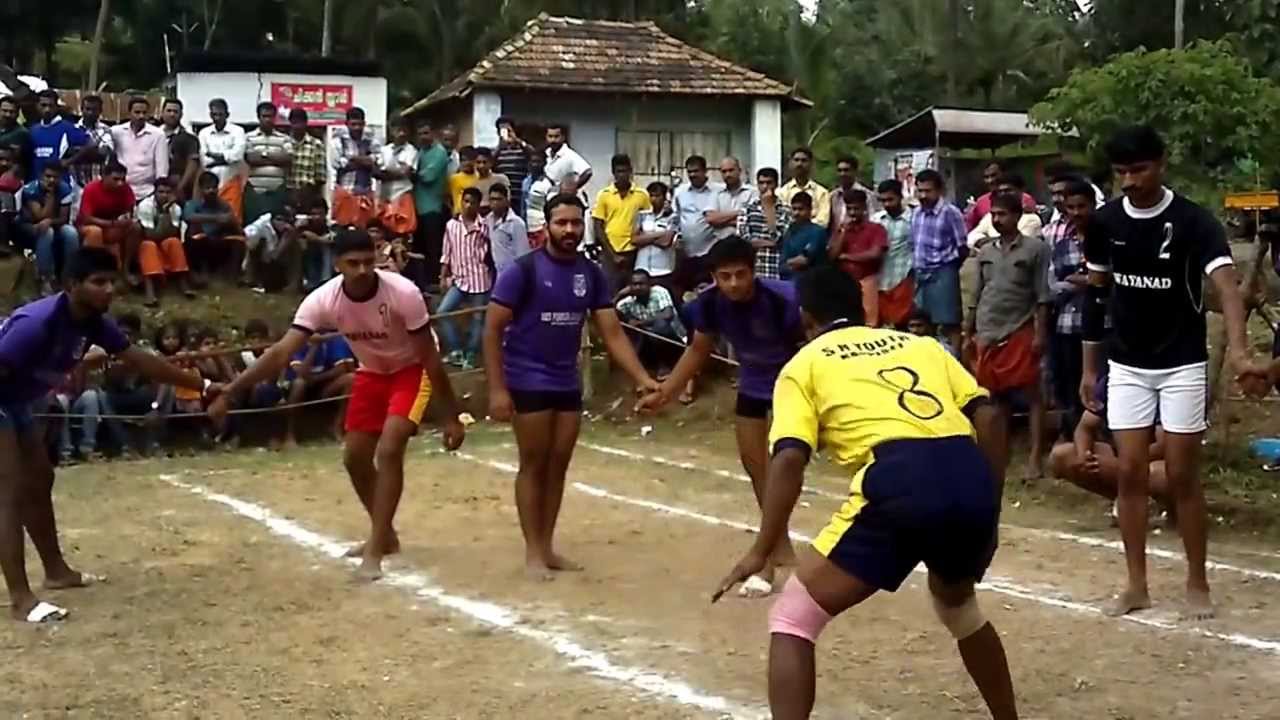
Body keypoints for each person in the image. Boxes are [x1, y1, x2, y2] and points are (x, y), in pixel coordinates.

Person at [713, 264, 1018, 720]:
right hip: (967, 473)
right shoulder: (922, 345)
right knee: (959, 608)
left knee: (794, 617)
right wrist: (987, 514)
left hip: (898, 478)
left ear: (805, 316)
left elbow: (789, 458)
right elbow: (990, 418)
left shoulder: (803, 365)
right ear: (860, 308)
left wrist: (762, 549)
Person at [1080, 124, 1269, 620]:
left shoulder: (1193, 222)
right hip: (1126, 363)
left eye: (1138, 169)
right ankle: (1136, 584)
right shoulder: (1103, 223)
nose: (1129, 181)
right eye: (1121, 172)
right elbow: (1097, 291)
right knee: (1131, 472)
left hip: (1182, 360)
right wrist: (1089, 363)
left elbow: (1228, 288)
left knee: (1183, 475)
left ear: (1161, 164)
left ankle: (1197, 581)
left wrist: (1242, 352)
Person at [210, 229, 465, 580]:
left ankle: (375, 549)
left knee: (390, 448)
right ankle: (385, 535)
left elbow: (431, 359)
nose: (362, 270)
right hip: (372, 372)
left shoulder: (404, 293)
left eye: (367, 261)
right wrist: (231, 391)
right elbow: (281, 352)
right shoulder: (322, 300)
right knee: (354, 458)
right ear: (337, 264)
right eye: (352, 263)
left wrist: (451, 417)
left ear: (376, 258)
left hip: (411, 370)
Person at [0, 247, 220, 622]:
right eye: (98, 282)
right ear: (72, 285)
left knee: (40, 478)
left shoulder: (93, 322)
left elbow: (140, 359)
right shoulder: (36, 324)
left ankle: (56, 573)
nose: (109, 290)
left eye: (112, 281)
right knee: (8, 492)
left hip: (16, 400)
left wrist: (203, 384)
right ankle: (21, 598)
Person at [484, 193, 658, 577]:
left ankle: (547, 547)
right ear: (546, 225)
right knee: (533, 463)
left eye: (576, 223)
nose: (569, 230)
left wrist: (644, 380)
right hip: (527, 377)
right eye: (561, 223)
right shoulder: (522, 271)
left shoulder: (591, 273)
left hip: (566, 379)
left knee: (558, 464)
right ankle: (532, 552)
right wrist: (497, 389)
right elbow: (492, 330)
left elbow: (612, 333)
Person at [639, 237, 806, 597]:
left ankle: (774, 557)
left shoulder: (784, 299)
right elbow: (699, 349)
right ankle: (780, 552)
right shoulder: (709, 304)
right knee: (756, 469)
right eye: (725, 277)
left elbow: (812, 347)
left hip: (793, 385)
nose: (733, 284)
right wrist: (666, 392)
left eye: (740, 275)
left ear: (753, 271)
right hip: (752, 385)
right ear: (714, 277)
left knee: (782, 468)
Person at [965, 192, 1052, 479]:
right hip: (988, 330)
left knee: (1031, 394)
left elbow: (1042, 296)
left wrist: (1040, 334)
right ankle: (996, 455)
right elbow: (977, 294)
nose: (998, 220)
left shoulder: (1035, 249)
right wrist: (969, 331)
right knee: (994, 397)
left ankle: (1035, 457)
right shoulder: (986, 251)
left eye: (1003, 214)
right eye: (994, 215)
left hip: (1020, 327)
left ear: (1017, 216)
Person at [1049, 369, 1173, 523]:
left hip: (1154, 460)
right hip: (1121, 453)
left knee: (1160, 475)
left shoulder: (1164, 382)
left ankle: (1164, 506)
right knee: (1061, 456)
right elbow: (1085, 428)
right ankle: (1125, 497)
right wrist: (1084, 455)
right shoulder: (1113, 379)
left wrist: (1126, 462)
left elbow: (1164, 445)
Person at [1045, 177, 1094, 439]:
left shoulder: (1108, 241)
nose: (1076, 213)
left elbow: (1114, 281)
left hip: (1102, 325)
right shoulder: (1063, 246)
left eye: (1081, 206)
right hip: (1066, 325)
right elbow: (1052, 284)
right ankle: (1075, 437)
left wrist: (1084, 280)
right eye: (1071, 207)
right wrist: (1085, 282)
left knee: (1102, 384)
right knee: (1070, 382)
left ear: (1093, 206)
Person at [911, 169, 968, 354]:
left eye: (928, 191)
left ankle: (955, 362)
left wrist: (948, 270)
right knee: (923, 322)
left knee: (949, 321)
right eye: (920, 191)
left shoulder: (950, 213)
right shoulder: (917, 213)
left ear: (939, 190)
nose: (923, 195)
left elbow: (962, 247)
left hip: (943, 271)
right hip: (921, 273)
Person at [438, 187, 492, 368]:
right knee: (443, 313)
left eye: (472, 202)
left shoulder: (484, 227)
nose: (468, 205)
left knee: (478, 319)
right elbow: (447, 252)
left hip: (480, 279)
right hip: (459, 280)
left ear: (478, 205)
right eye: (465, 201)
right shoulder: (451, 226)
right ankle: (456, 351)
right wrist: (443, 275)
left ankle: (471, 353)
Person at [283, 334, 357, 449]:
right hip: (299, 387)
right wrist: (314, 347)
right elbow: (301, 373)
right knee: (299, 384)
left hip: (322, 386)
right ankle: (290, 435)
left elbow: (340, 369)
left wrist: (316, 379)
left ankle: (336, 427)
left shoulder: (331, 340)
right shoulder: (296, 342)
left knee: (350, 379)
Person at [592, 154, 652, 290]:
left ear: (630, 171)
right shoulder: (604, 195)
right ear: (613, 173)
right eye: (619, 171)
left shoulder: (642, 195)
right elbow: (598, 227)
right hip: (610, 253)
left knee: (634, 291)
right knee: (609, 292)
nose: (622, 175)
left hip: (635, 253)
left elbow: (648, 223)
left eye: (625, 171)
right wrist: (612, 255)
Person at [828, 189, 887, 327]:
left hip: (867, 279)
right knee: (845, 320)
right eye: (850, 209)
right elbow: (832, 256)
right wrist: (843, 233)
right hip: (845, 281)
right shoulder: (842, 230)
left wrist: (847, 256)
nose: (853, 213)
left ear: (865, 208)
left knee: (869, 322)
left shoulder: (876, 229)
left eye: (856, 208)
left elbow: (874, 254)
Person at [614, 268, 687, 377]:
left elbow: (667, 315)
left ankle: (665, 365)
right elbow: (608, 310)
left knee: (659, 326)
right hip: (650, 341)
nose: (638, 287)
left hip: (673, 337)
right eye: (634, 284)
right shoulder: (627, 302)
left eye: (641, 284)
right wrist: (619, 295)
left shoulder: (659, 292)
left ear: (650, 284)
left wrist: (640, 323)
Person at [672, 155, 729, 292]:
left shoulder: (719, 191)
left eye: (696, 171)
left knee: (710, 291)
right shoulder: (680, 192)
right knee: (686, 293)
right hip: (687, 254)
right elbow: (675, 218)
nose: (692, 175)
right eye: (689, 172)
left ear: (705, 171)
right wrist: (676, 237)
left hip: (710, 251)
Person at [134, 176, 194, 305]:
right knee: (148, 245)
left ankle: (184, 285)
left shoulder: (175, 208)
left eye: (168, 192)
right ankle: (149, 292)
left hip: (164, 242)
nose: (164, 195)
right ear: (154, 193)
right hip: (143, 245)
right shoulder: (145, 206)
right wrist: (164, 220)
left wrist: (166, 212)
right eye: (161, 192)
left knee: (174, 242)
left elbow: (174, 233)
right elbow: (150, 235)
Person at [19, 163, 78, 295]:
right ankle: (45, 278)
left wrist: (50, 221)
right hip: (29, 226)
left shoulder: (64, 189)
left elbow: (64, 218)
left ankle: (70, 274)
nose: (51, 180)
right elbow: (39, 216)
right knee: (46, 232)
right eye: (48, 176)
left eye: (55, 177)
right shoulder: (30, 189)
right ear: (41, 176)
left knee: (71, 232)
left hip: (53, 223)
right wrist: (50, 197)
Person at [77, 161, 141, 278]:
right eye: (115, 179)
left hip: (112, 227)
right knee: (95, 232)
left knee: (135, 228)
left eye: (123, 179)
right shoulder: (91, 188)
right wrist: (111, 223)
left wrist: (127, 218)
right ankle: (92, 271)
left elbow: (130, 209)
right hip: (90, 226)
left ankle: (126, 269)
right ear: (104, 176)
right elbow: (86, 219)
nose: (120, 183)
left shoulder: (126, 188)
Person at [183, 171, 246, 283]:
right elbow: (189, 217)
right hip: (199, 243)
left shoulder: (223, 204)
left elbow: (233, 221)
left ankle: (233, 275)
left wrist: (232, 222)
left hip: (217, 240)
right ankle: (200, 273)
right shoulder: (192, 204)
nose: (211, 191)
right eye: (207, 188)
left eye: (214, 187)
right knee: (195, 231)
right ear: (201, 189)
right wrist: (215, 218)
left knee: (238, 239)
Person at [412, 120, 451, 290]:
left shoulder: (439, 152)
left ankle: (435, 282)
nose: (423, 137)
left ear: (433, 133)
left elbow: (428, 176)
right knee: (419, 247)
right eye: (420, 134)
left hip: (433, 207)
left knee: (433, 247)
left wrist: (410, 173)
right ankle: (423, 283)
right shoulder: (420, 152)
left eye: (426, 133)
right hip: (417, 207)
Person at [873, 180, 915, 328]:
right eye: (883, 200)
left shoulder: (914, 219)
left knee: (903, 324)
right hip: (880, 281)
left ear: (900, 196)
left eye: (890, 199)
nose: (887, 204)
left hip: (903, 279)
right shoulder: (877, 220)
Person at [243, 101, 293, 227]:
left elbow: (287, 158)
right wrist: (274, 157)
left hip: (277, 190)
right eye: (264, 116)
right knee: (253, 227)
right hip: (255, 190)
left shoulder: (284, 138)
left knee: (276, 228)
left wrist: (263, 155)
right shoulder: (248, 137)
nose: (268, 120)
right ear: (258, 117)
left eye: (270, 116)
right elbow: (251, 159)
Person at [330, 107, 381, 229]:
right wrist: (365, 161)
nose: (357, 128)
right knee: (343, 228)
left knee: (364, 229)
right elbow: (338, 164)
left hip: (365, 192)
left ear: (364, 124)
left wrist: (353, 159)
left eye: (359, 124)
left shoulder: (371, 141)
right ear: (346, 124)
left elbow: (378, 160)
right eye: (353, 124)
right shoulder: (338, 141)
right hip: (344, 192)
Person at [738, 167, 792, 281]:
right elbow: (743, 239)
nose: (765, 187)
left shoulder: (786, 210)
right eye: (761, 183)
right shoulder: (747, 208)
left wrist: (769, 210)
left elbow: (780, 239)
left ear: (776, 184)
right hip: (754, 269)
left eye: (769, 183)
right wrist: (770, 243)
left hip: (776, 268)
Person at [198, 98, 247, 222]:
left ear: (227, 114)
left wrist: (214, 157)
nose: (218, 117)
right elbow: (205, 160)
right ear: (210, 115)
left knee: (233, 219)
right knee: (211, 220)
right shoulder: (204, 133)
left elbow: (238, 155)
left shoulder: (238, 131)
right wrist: (226, 158)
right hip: (210, 186)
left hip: (230, 181)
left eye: (221, 114)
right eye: (214, 114)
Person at [28, 89, 90, 183]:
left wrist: (69, 161)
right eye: (43, 105)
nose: (47, 109)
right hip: (36, 182)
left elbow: (90, 144)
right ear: (37, 106)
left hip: (60, 184)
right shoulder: (33, 130)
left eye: (51, 106)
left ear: (56, 107)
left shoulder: (66, 127)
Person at [967, 174, 1043, 249]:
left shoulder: (1031, 219)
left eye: (1008, 191)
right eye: (1000, 192)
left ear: (1021, 191)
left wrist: (989, 243)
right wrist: (994, 243)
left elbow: (1018, 246)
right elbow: (971, 238)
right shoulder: (991, 216)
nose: (1003, 195)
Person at [633, 181, 679, 299]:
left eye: (657, 196)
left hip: (663, 270)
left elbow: (666, 242)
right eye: (651, 196)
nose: (654, 199)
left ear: (664, 197)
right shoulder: (642, 215)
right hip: (642, 268)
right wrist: (659, 234)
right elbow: (634, 239)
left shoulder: (673, 218)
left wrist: (645, 236)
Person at [965, 159, 1037, 231]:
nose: (990, 180)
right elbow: (971, 229)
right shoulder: (981, 202)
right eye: (986, 177)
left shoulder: (1024, 199)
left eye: (994, 175)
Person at [376, 117, 419, 239]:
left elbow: (406, 172)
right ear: (391, 131)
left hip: (402, 195)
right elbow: (377, 172)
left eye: (404, 130)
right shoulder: (384, 150)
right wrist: (396, 172)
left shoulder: (411, 150)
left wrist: (387, 173)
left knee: (403, 231)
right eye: (398, 130)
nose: (401, 134)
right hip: (385, 196)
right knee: (385, 231)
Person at [778, 147, 831, 229]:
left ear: (810, 164)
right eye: (796, 160)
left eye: (804, 160)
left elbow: (823, 221)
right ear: (790, 163)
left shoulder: (822, 193)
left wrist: (804, 228)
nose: (799, 164)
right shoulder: (782, 192)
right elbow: (781, 219)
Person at [72, 94, 116, 191]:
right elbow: (68, 153)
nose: (91, 113)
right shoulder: (72, 129)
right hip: (75, 184)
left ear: (100, 111)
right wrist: (90, 149)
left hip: (99, 183)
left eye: (95, 110)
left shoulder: (106, 129)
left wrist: (78, 152)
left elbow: (104, 154)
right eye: (87, 109)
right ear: (81, 109)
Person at [160, 98, 200, 201]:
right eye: (169, 111)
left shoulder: (189, 138)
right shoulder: (153, 134)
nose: (172, 114)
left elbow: (192, 165)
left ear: (181, 114)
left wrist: (180, 187)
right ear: (162, 112)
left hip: (179, 186)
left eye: (175, 111)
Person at [780, 192, 827, 281]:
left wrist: (789, 262)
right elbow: (781, 264)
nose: (796, 213)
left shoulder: (817, 232)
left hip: (811, 283)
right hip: (789, 282)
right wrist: (789, 263)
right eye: (794, 209)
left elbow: (804, 260)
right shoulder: (789, 231)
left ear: (810, 210)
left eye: (801, 209)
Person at [487, 183, 529, 274]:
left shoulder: (516, 223)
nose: (495, 203)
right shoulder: (488, 220)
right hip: (496, 272)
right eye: (492, 199)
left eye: (499, 199)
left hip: (512, 274)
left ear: (506, 200)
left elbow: (523, 255)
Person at [829, 155, 879, 231]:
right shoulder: (833, 196)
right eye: (839, 170)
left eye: (846, 170)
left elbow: (873, 219)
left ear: (855, 171)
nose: (842, 174)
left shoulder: (867, 195)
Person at [284, 108, 326, 198]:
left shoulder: (316, 144)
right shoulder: (283, 143)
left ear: (306, 123)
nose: (298, 126)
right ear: (290, 123)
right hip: (287, 193)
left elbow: (320, 177)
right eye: (295, 123)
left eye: (300, 123)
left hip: (308, 194)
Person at [494, 117, 532, 213]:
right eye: (501, 130)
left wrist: (517, 140)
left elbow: (533, 154)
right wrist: (499, 147)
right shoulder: (497, 151)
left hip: (520, 193)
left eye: (508, 130)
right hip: (504, 195)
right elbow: (490, 163)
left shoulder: (522, 148)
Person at [298, 195, 334, 291]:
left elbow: (332, 239)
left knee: (327, 248)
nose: (317, 217)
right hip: (309, 259)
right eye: (314, 214)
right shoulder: (303, 225)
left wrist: (316, 239)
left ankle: (325, 280)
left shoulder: (331, 226)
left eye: (320, 214)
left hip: (325, 261)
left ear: (325, 213)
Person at [543, 124, 591, 192]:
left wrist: (570, 189)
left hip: (566, 199)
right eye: (550, 136)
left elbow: (588, 172)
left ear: (563, 137)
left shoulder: (569, 155)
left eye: (556, 136)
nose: (553, 140)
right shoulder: (546, 153)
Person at [524, 151, 553, 249]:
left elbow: (551, 209)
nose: (534, 164)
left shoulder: (547, 184)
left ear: (544, 163)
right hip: (527, 229)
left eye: (538, 161)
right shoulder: (526, 182)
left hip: (541, 228)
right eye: (532, 161)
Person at [0, 95, 32, 181]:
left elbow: (27, 160)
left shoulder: (22, 133)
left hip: (12, 180)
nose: (8, 114)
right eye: (4, 111)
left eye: (12, 112)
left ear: (18, 113)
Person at [471, 147, 508, 216]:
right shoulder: (472, 183)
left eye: (484, 162)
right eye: (478, 162)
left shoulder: (501, 179)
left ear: (491, 163)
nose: (481, 166)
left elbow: (507, 200)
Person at [447, 146, 478, 217]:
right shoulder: (454, 179)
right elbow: (447, 198)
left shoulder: (479, 177)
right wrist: (452, 210)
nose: (467, 163)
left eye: (470, 160)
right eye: (463, 160)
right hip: (458, 215)